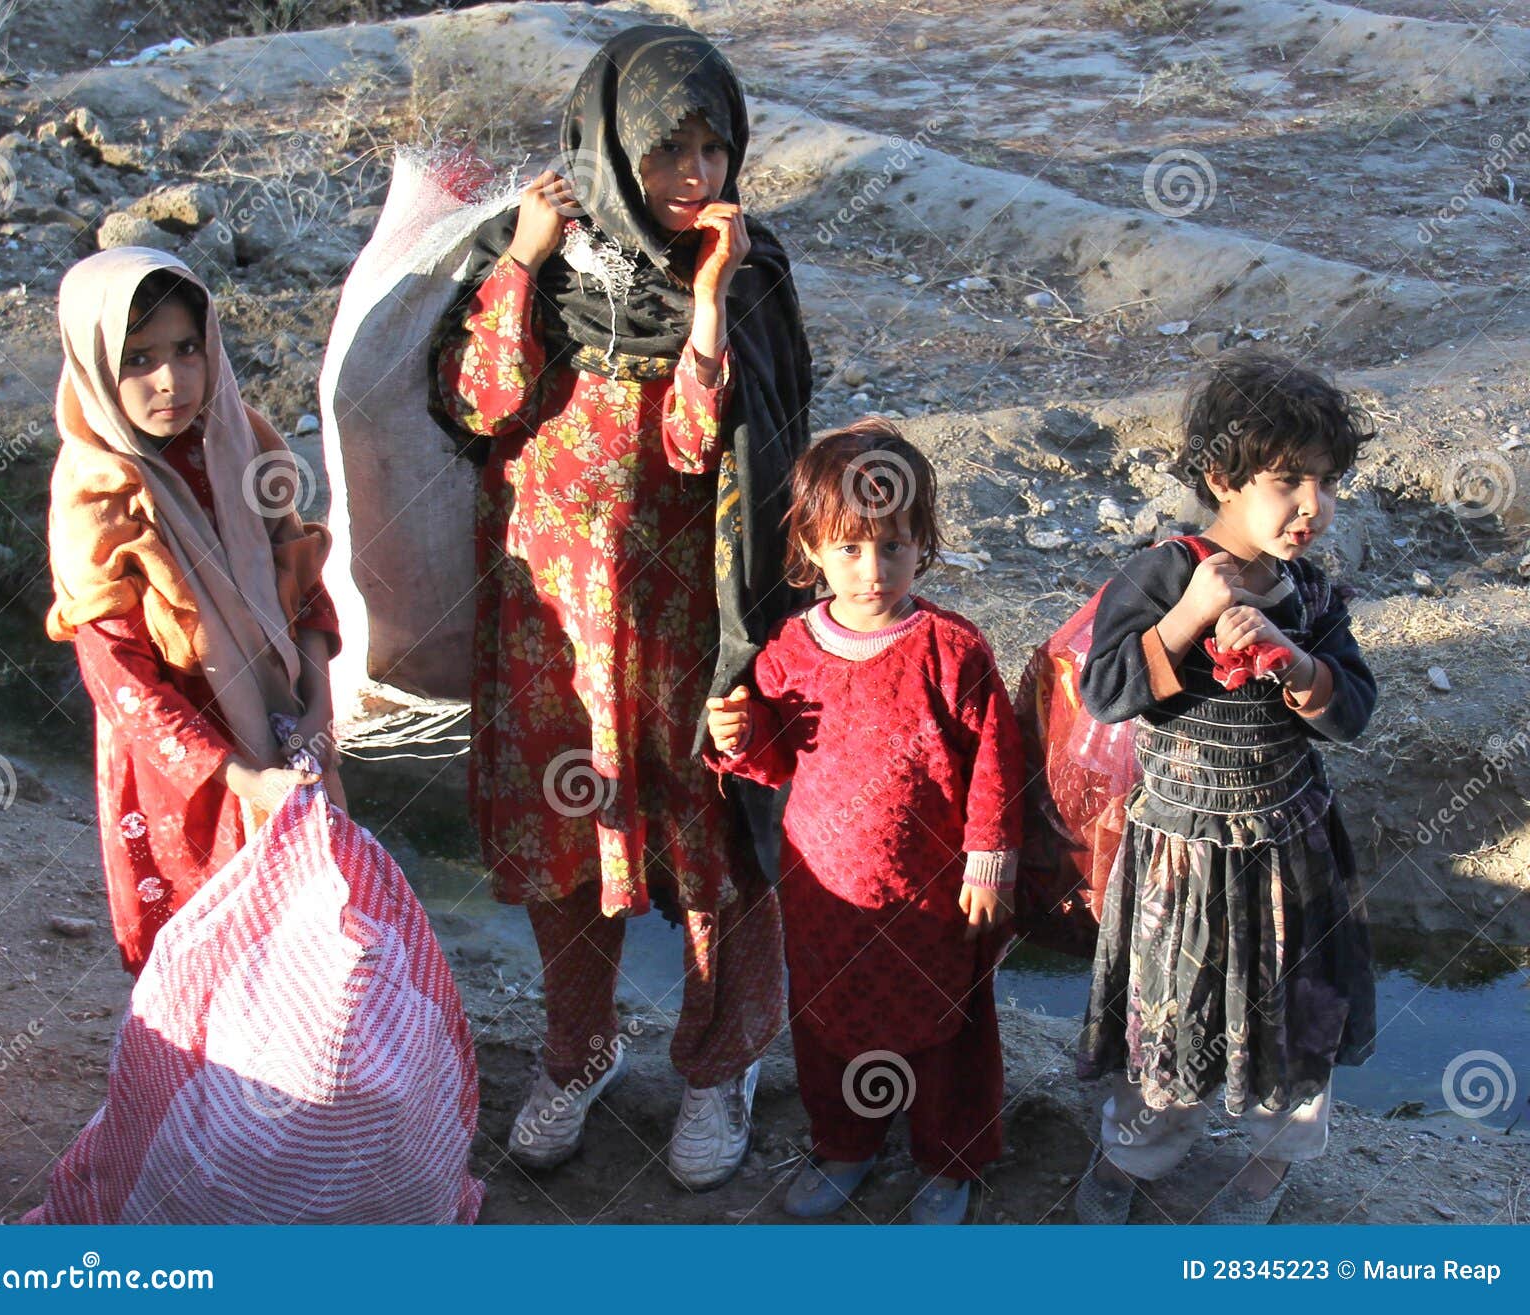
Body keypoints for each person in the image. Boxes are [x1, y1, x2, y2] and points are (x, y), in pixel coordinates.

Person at [430, 24, 811, 1188]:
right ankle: (578, 1050)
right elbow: (480, 405)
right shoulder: (531, 252)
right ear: (608, 146)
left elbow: (713, 454)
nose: (697, 178)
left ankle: (718, 1066)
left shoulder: (746, 271)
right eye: (668, 152)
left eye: (713, 148)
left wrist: (704, 306)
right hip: (549, 632)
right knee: (563, 849)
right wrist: (519, 264)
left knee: (710, 858)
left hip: (679, 634)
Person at [1073, 349, 1378, 1225]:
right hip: (1180, 852)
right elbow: (1106, 690)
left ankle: (1273, 1161)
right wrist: (1187, 618)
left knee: (1298, 1013)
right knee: (1169, 1011)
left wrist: (1298, 666)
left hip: (1290, 856)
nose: (1312, 506)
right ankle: (1138, 1151)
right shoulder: (1159, 573)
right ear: (1222, 477)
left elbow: (1351, 708)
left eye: (1324, 481)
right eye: (1288, 481)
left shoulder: (1314, 597)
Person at [705, 420, 1022, 1224]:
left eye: (893, 546)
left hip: (936, 899)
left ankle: (948, 1161)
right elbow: (776, 758)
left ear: (925, 542)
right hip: (825, 897)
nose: (871, 570)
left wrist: (988, 860)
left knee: (945, 1028)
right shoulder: (790, 650)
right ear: (810, 546)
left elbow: (996, 760)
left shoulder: (953, 650)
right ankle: (845, 1143)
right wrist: (736, 735)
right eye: (848, 548)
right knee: (828, 1024)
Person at [46, 248, 343, 976]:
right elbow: (121, 683)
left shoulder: (243, 443)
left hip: (287, 737)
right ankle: (207, 1092)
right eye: (138, 359)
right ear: (92, 367)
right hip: (187, 774)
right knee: (208, 955)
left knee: (311, 949)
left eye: (187, 349)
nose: (171, 380)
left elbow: (301, 581)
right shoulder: (100, 493)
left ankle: (303, 1093)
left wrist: (317, 713)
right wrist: (243, 777)